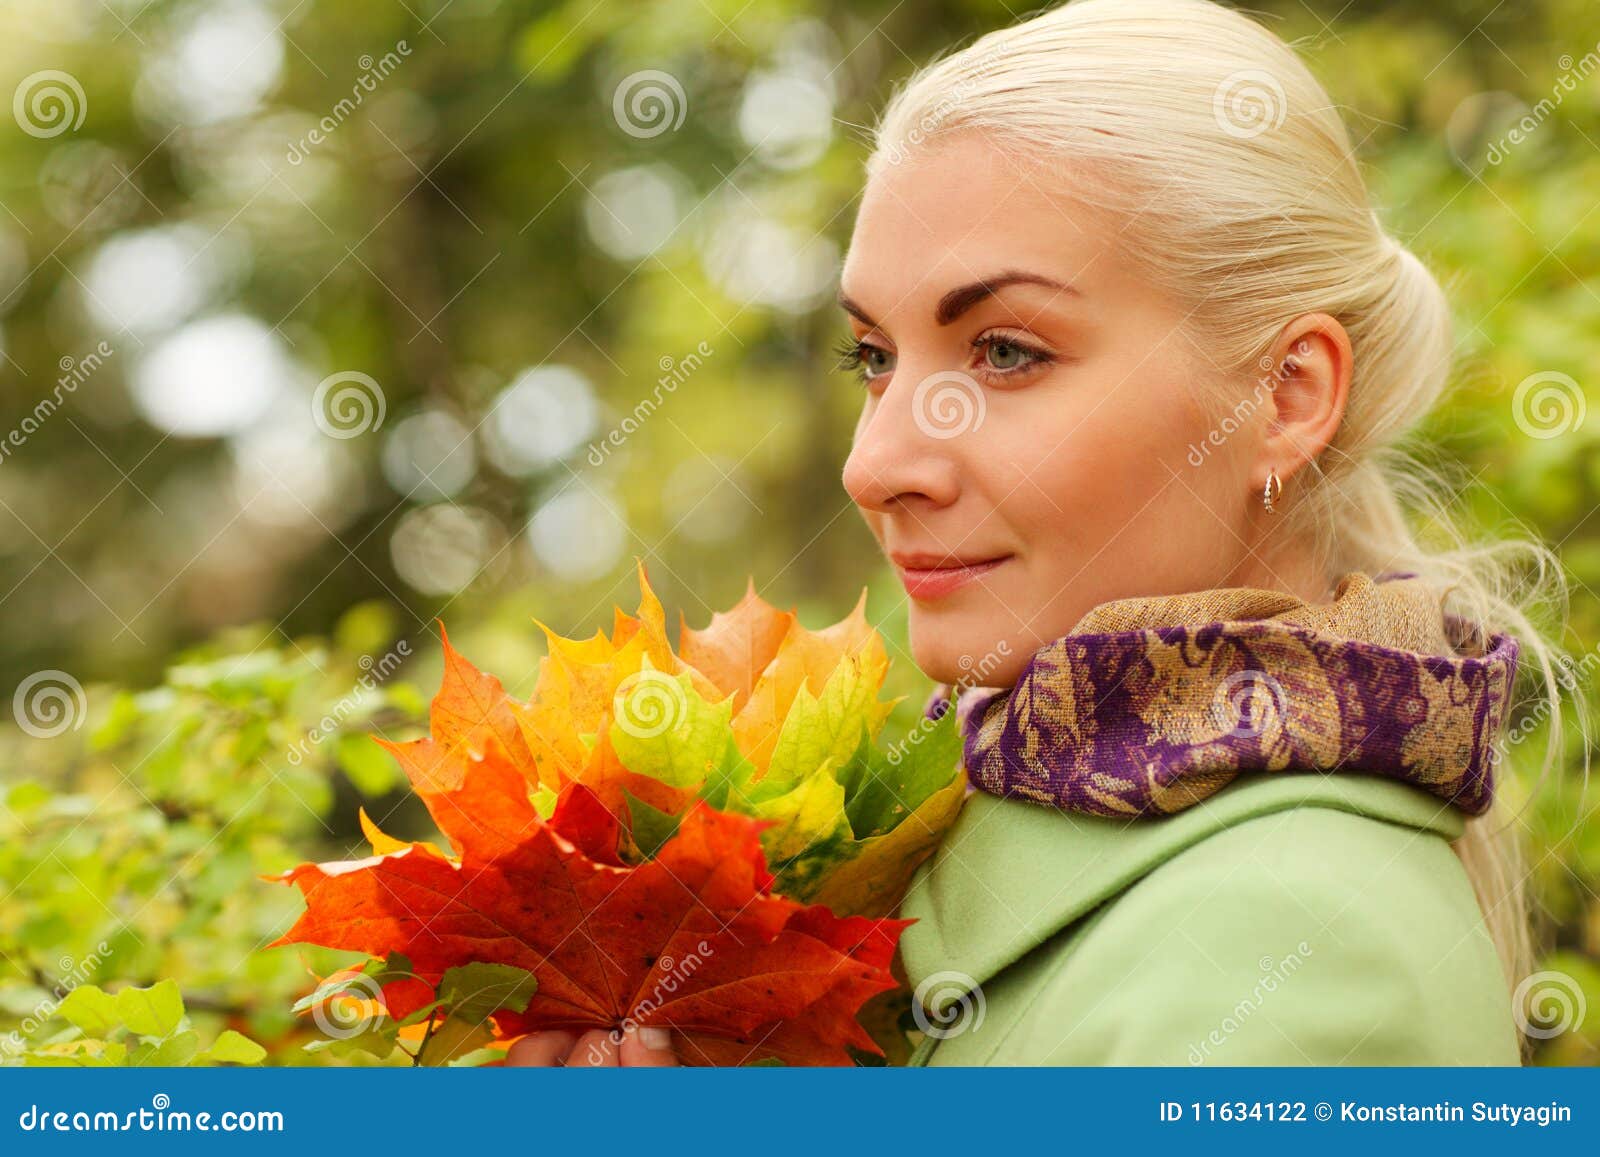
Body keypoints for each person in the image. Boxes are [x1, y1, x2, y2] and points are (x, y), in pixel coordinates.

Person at [509, 0, 1572, 1066]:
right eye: (873, 357)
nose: (873, 465)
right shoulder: (928, 842)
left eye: (1005, 352)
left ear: (1285, 396)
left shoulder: (1294, 949)